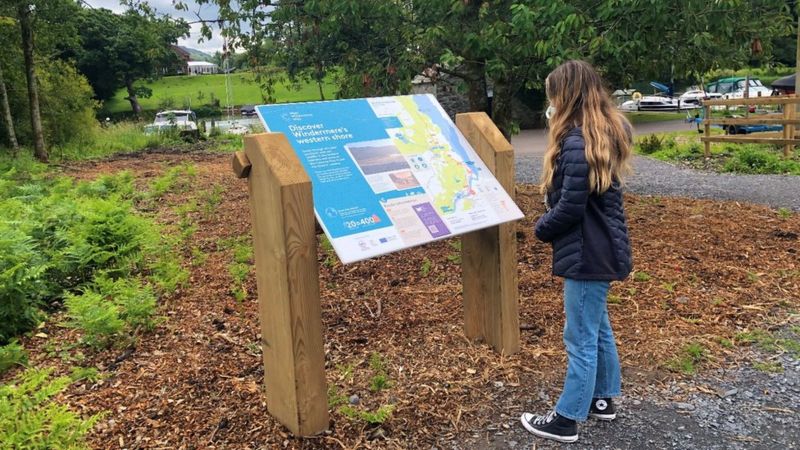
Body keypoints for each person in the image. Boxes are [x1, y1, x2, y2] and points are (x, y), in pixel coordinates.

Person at [520, 60, 633, 444]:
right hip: (603, 250)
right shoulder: (601, 134)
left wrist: (540, 228)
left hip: (586, 253)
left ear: (565, 95)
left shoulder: (573, 141)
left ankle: (566, 419)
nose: (550, 103)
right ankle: (602, 399)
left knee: (579, 337)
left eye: (553, 94)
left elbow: (570, 206)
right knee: (598, 328)